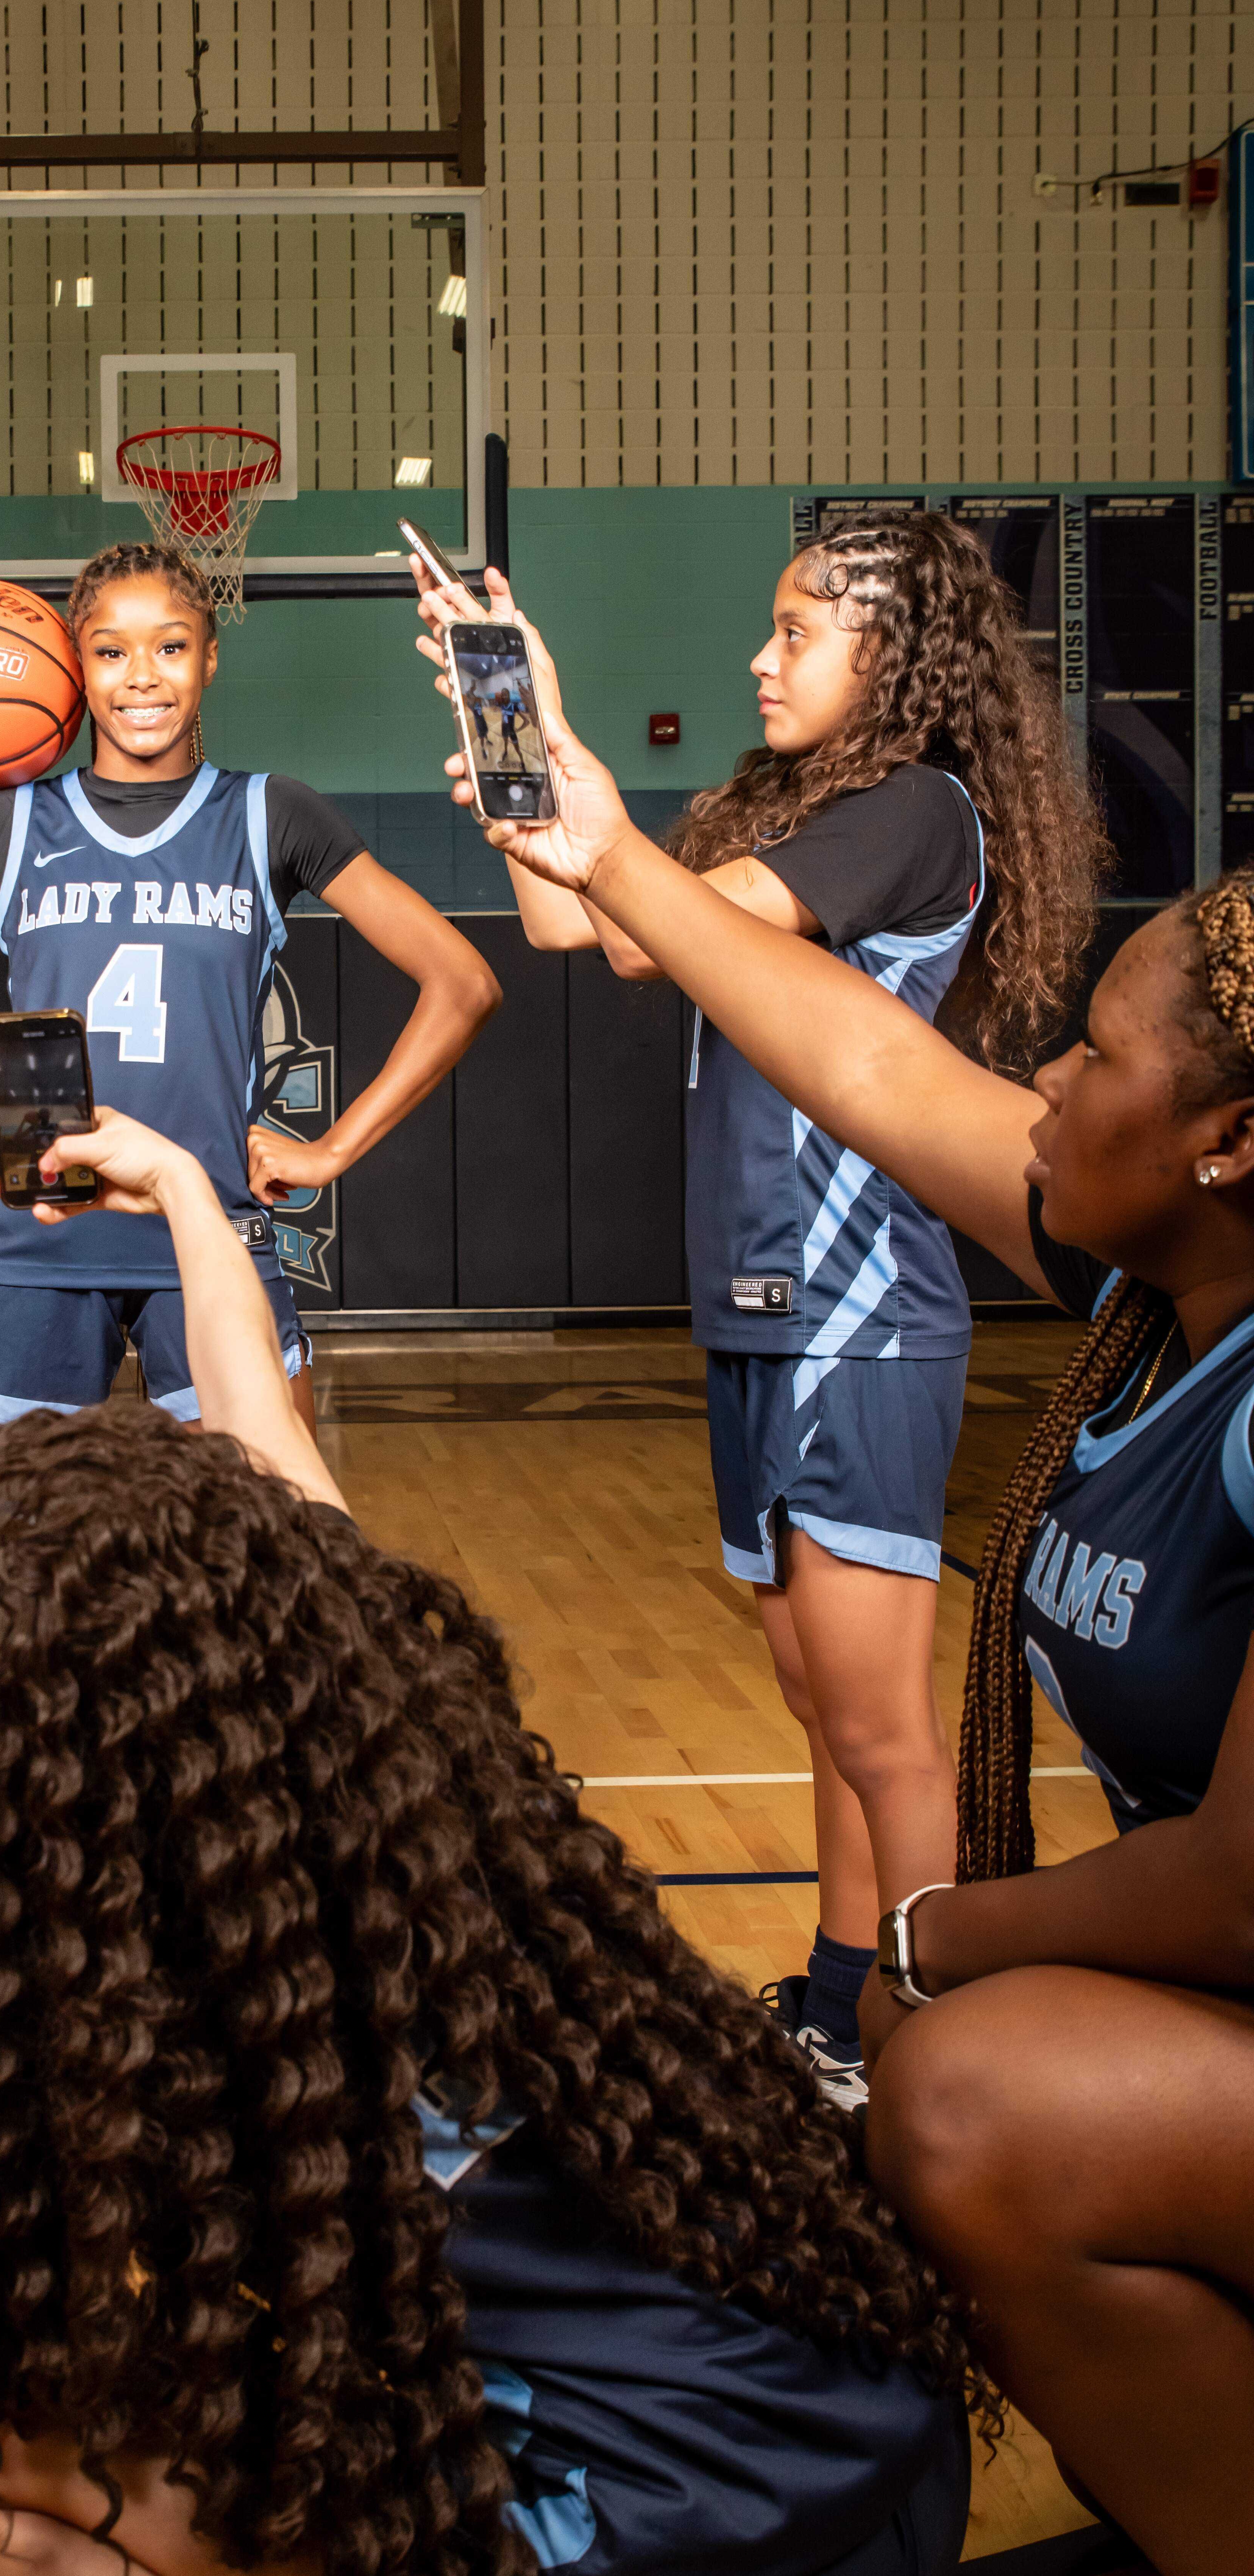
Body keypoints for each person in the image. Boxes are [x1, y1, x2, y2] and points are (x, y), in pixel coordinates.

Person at [0, 1104, 981, 2576]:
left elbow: (34, 2384)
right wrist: (176, 1185)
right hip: (902, 2492)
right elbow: (256, 1425)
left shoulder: (117, 2008)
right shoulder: (419, 1749)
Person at [446, 672, 1254, 2576]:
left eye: (1093, 1049)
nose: (1045, 1068)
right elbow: (866, 1056)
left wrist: (926, 1930)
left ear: (1229, 1138)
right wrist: (605, 846)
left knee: (964, 2091)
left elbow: (1245, 1889)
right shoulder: (1164, 1278)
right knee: (944, 2053)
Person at [419, 522, 1103, 2109]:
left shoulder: (910, 813)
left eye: (797, 631)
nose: (760, 655)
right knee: (811, 1695)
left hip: (853, 1314)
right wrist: (502, 727)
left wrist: (576, 786)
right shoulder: (780, 807)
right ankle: (836, 1989)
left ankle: (924, 2036)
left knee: (877, 1726)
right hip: (754, 1308)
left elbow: (651, 907)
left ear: (895, 657)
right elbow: (578, 925)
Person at [0, 541, 499, 1435]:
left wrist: (331, 1152)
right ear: (76, 668)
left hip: (207, 1231)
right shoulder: (9, 822)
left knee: (261, 1543)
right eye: (111, 651)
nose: (142, 677)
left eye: (171, 646)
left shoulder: (272, 815)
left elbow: (462, 982)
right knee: (12, 1555)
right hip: (38, 1232)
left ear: (209, 657)